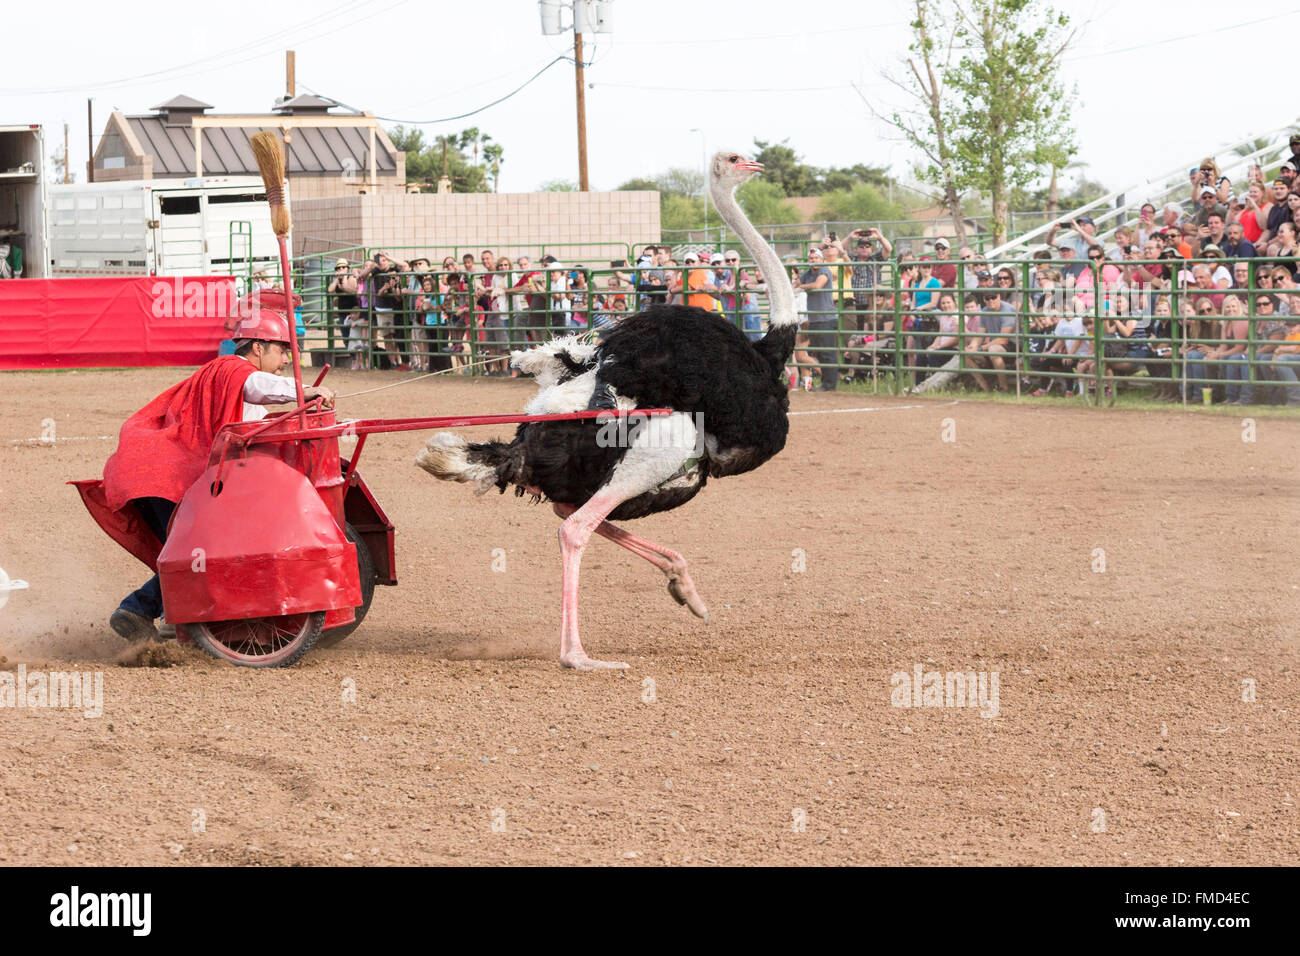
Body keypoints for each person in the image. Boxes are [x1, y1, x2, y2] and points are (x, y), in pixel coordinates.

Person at [97, 298, 336, 642]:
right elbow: (258, 388)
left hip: (162, 474)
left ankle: (153, 615)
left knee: (190, 552)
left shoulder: (232, 375)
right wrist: (305, 391)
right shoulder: (232, 369)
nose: (286, 360)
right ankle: (144, 612)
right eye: (283, 350)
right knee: (197, 553)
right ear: (257, 347)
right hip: (161, 475)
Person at [792, 246, 839, 390]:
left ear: (822, 259)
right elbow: (795, 284)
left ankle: (830, 384)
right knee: (820, 352)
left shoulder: (824, 271)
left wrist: (801, 287)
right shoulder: (807, 273)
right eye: (811, 258)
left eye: (816, 258)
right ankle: (826, 383)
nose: (814, 260)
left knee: (827, 353)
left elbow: (818, 285)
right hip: (815, 319)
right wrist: (793, 287)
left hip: (826, 319)